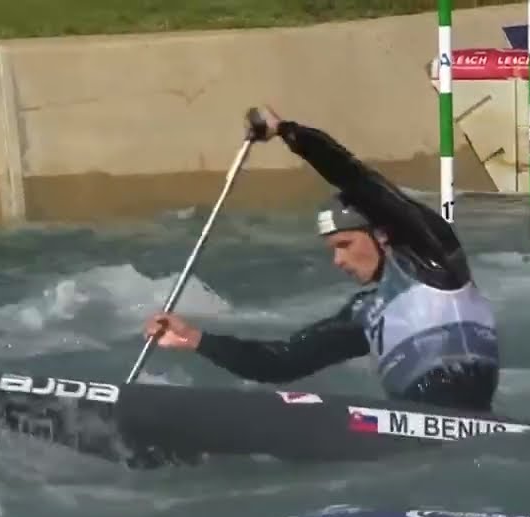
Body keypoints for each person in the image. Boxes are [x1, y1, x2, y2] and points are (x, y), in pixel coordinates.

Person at [141, 106, 501, 412]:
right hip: (421, 438)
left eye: (344, 243)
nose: (339, 261)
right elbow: (284, 360)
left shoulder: (434, 257)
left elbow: (356, 177)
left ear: (382, 234)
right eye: (332, 249)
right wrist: (198, 340)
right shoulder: (366, 313)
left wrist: (288, 132)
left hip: (469, 424)